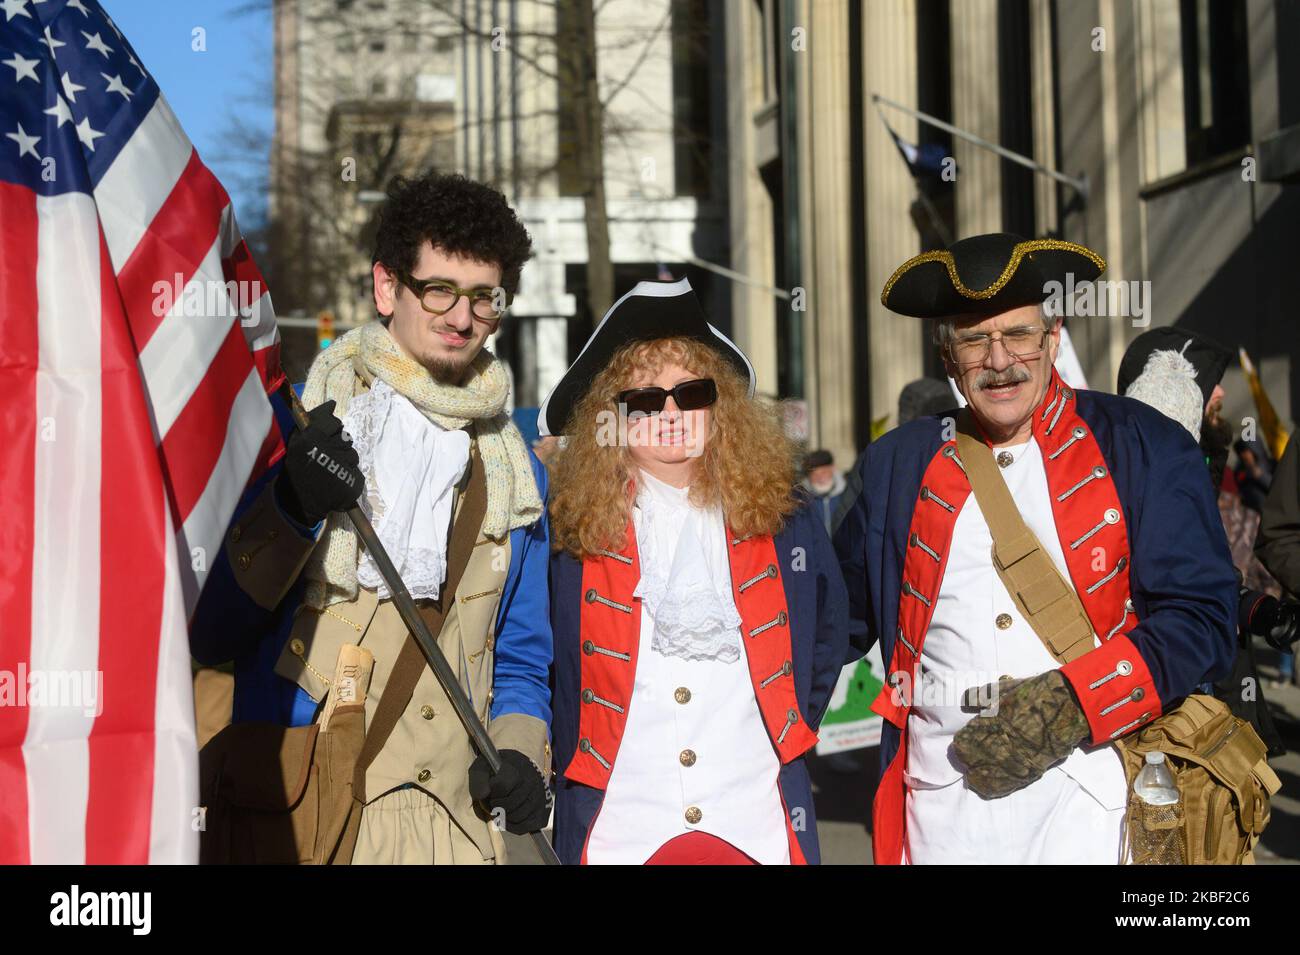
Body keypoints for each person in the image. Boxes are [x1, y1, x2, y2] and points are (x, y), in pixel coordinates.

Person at [834, 233, 1237, 864]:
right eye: (974, 339)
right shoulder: (897, 464)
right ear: (948, 354)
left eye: (1019, 335)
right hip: (942, 818)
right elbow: (833, 621)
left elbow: (1203, 619)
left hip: (1097, 811)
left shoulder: (1141, 444)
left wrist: (1076, 701)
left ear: (1052, 338)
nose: (1000, 361)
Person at [190, 172, 553, 864]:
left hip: (454, 825)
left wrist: (515, 750)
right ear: (388, 287)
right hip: (301, 809)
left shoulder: (517, 470)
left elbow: (523, 654)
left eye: (484, 297)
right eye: (439, 288)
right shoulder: (300, 424)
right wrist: (292, 505)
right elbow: (214, 629)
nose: (461, 317)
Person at [540, 278, 848, 864]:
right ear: (613, 416)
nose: (672, 413)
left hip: (755, 818)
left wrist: (776, 729)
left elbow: (827, 638)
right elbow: (544, 663)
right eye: (646, 400)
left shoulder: (788, 520)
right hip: (619, 828)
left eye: (692, 392)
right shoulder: (566, 532)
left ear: (720, 404)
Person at [1118, 326, 1286, 754]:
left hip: (1218, 696)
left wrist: (1252, 608)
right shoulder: (1143, 490)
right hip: (1170, 712)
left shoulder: (1199, 468)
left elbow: (1196, 574)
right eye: (1211, 384)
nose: (1222, 395)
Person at [801, 449, 846, 534]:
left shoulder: (847, 495)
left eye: (824, 472)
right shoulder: (802, 500)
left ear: (833, 468)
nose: (820, 478)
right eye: (814, 474)